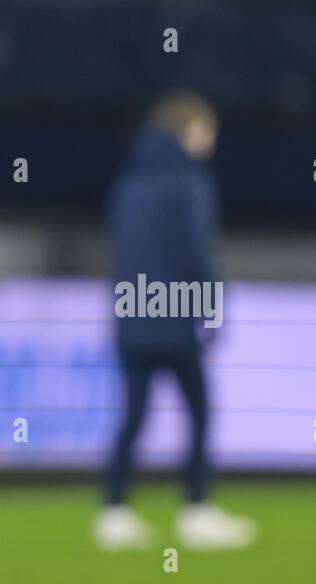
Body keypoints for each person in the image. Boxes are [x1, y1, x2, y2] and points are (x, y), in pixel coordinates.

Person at [96, 91, 256, 551]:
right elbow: (197, 253)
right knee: (200, 412)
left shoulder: (128, 181)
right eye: (208, 133)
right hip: (175, 316)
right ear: (189, 130)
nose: (211, 143)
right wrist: (211, 308)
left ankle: (114, 512)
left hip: (132, 314)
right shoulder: (191, 182)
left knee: (132, 417)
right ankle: (197, 508)